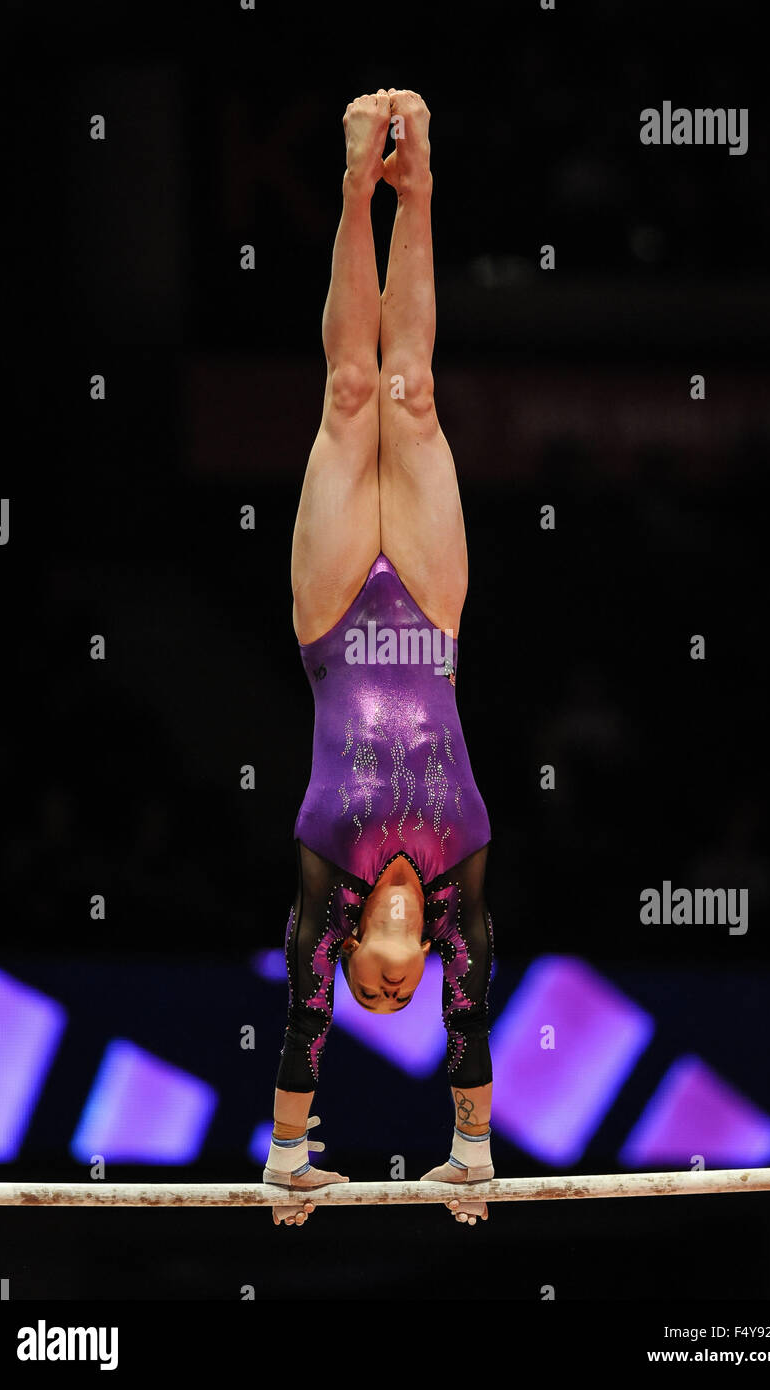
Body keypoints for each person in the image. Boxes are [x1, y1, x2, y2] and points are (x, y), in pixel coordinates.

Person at [266, 89, 495, 1229]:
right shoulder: (458, 885)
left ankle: (359, 185)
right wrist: (469, 1152)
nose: (394, 988)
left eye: (375, 988)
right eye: (401, 990)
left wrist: (289, 1156)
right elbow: (472, 1008)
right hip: (434, 618)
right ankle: (423, 193)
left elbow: (300, 1011)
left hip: (333, 621)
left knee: (349, 394)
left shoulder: (328, 875)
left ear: (350, 947)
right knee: (412, 394)